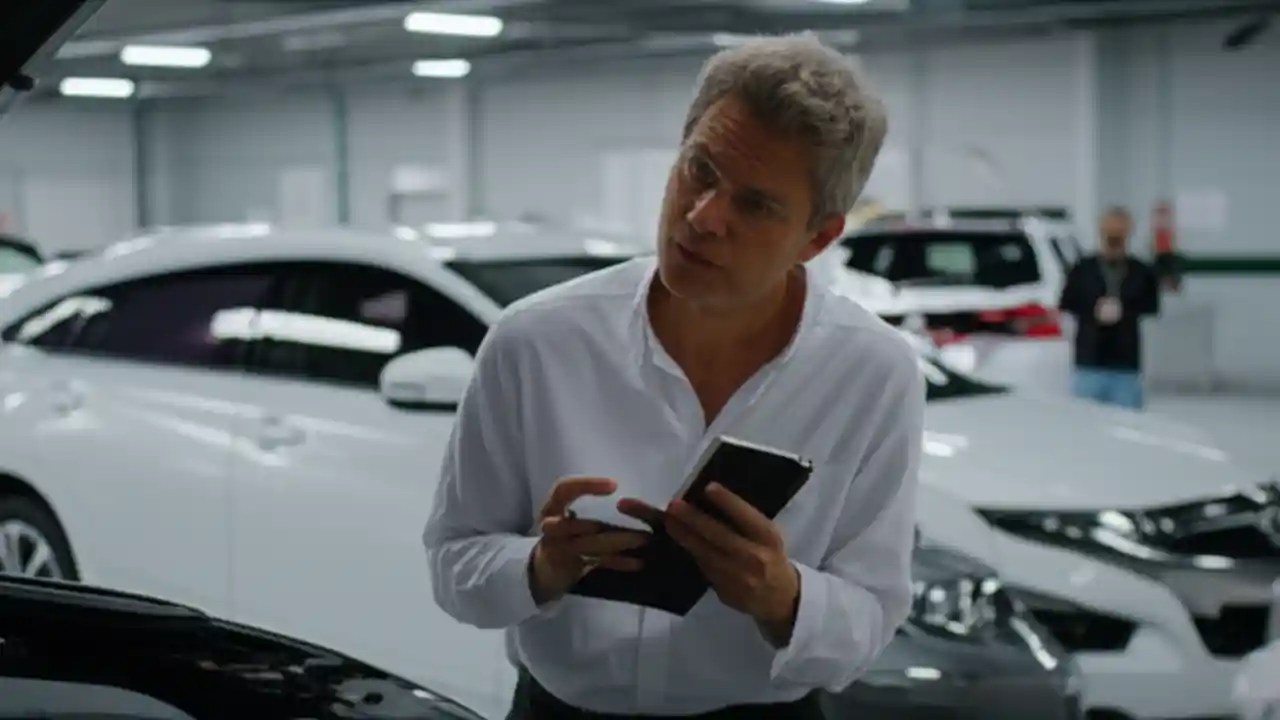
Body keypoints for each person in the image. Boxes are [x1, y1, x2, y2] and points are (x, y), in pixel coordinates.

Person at [423, 33, 924, 720]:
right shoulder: (534, 342)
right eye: (700, 170)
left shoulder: (873, 374)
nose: (703, 216)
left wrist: (782, 596)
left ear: (817, 238)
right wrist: (541, 568)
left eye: (754, 205)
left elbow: (872, 615)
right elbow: (454, 567)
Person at [1059, 206, 1161, 410]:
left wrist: (1125, 310)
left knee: (1129, 426)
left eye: (1119, 235)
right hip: (1089, 362)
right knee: (1085, 425)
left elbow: (1152, 306)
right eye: (1110, 234)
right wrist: (1093, 309)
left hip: (1125, 365)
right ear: (1101, 232)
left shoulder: (1141, 272)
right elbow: (1066, 302)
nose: (1114, 240)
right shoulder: (1082, 269)